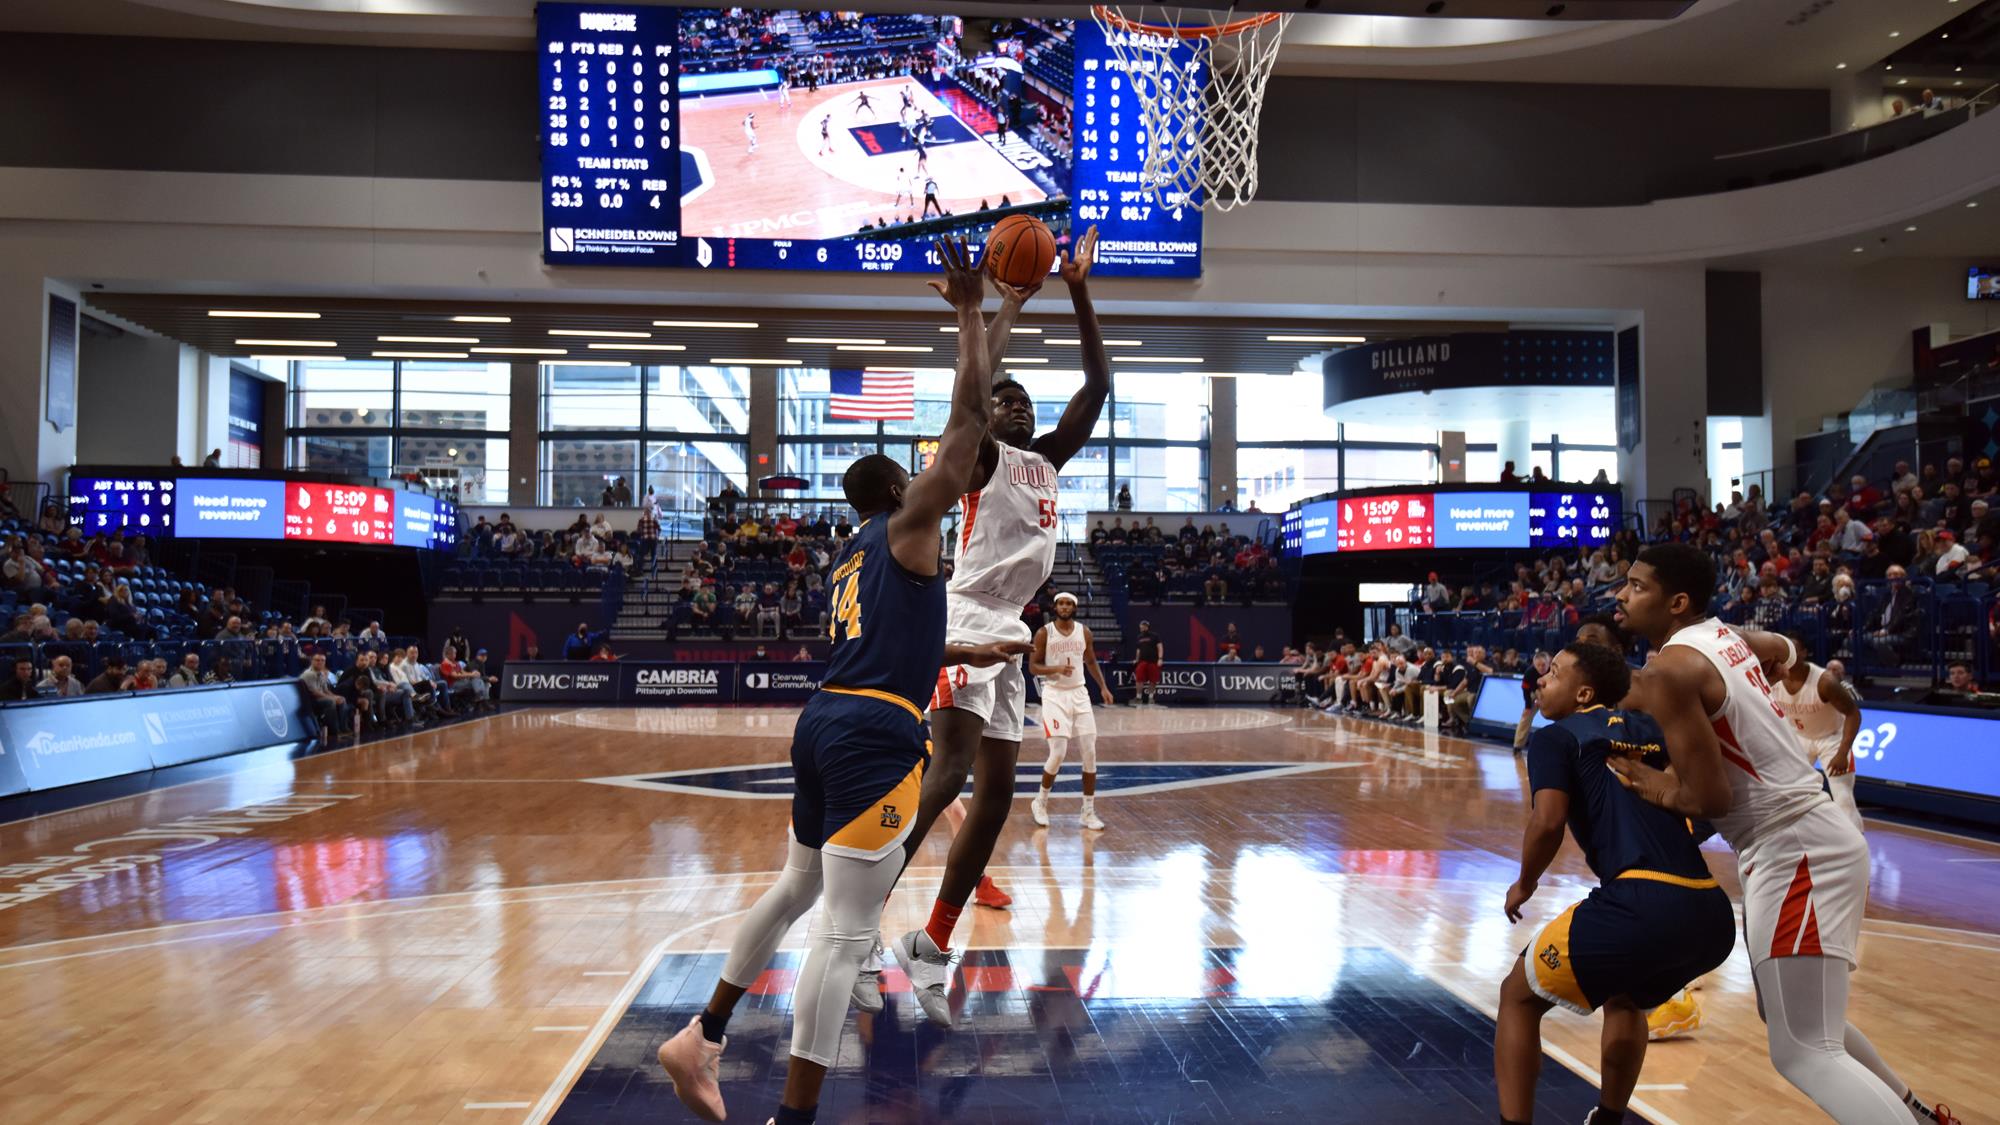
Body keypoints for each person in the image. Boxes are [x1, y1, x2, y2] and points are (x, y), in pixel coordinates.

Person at [655, 237, 1030, 1125]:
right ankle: (793, 1116)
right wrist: (978, 314)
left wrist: (959, 655)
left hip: (827, 719)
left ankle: (702, 1031)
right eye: (921, 479)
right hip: (869, 739)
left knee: (796, 890)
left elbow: (883, 647)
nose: (935, 482)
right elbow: (968, 428)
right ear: (899, 492)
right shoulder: (907, 524)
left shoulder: (850, 557)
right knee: (843, 936)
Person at [1611, 543, 1958, 1125]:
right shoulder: (1719, 636)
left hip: (1795, 847)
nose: (1621, 594)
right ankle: (1922, 1117)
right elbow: (1778, 647)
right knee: (1805, 1029)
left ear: (1676, 602)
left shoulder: (1673, 665)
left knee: (1803, 1052)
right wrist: (1792, 654)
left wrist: (1655, 787)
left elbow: (1711, 798)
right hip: (1801, 840)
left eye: (1636, 586)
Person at [894, 226, 1109, 1029]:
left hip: (1012, 636)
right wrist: (995, 311)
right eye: (1003, 399)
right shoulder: (979, 455)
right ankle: (855, 923)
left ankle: (931, 944)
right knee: (947, 774)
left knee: (995, 800)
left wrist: (1079, 290)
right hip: (964, 615)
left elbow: (1098, 383)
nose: (1014, 404)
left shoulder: (1048, 458)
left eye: (1024, 400)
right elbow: (969, 393)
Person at [1496, 644, 1736, 1125]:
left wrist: (1524, 883)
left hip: (1641, 899)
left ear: (1584, 693)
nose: (1541, 679)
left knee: (1517, 998)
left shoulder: (1556, 738)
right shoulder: (1653, 729)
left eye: (1555, 673)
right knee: (1627, 998)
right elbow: (1704, 803)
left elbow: (1548, 822)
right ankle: (1608, 1120)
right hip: (1712, 912)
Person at [1028, 592, 1117, 832]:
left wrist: (1103, 687)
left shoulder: (1084, 632)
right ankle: (1040, 802)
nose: (1065, 607)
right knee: (1058, 752)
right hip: (1054, 694)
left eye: (1069, 604)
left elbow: (1090, 661)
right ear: (1055, 606)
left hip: (1080, 694)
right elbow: (1033, 667)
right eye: (1061, 603)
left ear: (1074, 607)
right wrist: (1056, 668)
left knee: (1090, 751)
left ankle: (1088, 811)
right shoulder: (1045, 632)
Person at [1770, 647, 1864, 833]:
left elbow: (1853, 714)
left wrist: (1843, 752)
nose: (1789, 657)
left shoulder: (1825, 681)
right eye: (1784, 652)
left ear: (1804, 652)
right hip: (1800, 738)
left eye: (1794, 650)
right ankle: (1797, 837)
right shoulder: (1773, 680)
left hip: (1831, 739)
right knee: (1788, 791)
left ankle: (1856, 844)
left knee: (1843, 796)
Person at [1515, 650, 1549, 752]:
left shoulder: (1554, 671)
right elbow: (1525, 690)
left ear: (1549, 663)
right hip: (1534, 693)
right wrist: (1527, 707)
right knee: (1525, 717)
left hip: (1551, 694)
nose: (1541, 668)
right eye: (1538, 665)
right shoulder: (1529, 673)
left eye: (1543, 665)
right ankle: (1517, 746)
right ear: (1534, 664)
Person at [1131, 620, 1162, 706]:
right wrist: (1136, 659)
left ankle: (1151, 698)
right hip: (1142, 662)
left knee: (1153, 680)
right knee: (1139, 679)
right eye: (1141, 625)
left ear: (1147, 627)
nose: (1142, 627)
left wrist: (1160, 658)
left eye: (1144, 626)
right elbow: (1138, 650)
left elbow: (1160, 647)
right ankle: (1138, 698)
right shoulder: (1139, 637)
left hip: (1153, 661)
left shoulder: (1154, 636)